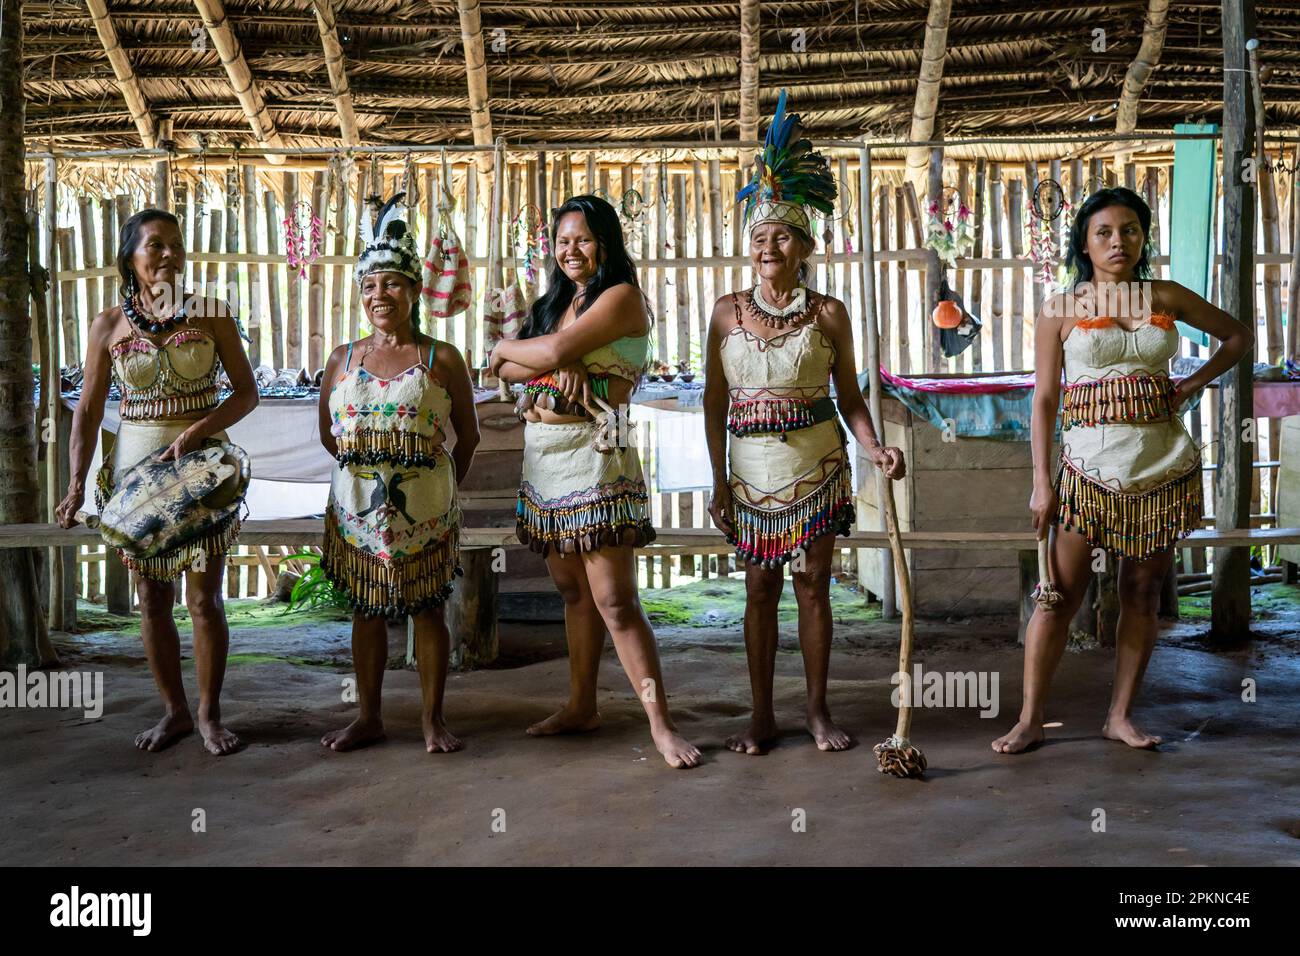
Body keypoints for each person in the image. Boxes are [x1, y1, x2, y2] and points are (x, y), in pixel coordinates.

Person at [992, 186, 1252, 754]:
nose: (1118, 241)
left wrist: (1190, 385)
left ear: (1142, 237)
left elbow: (1237, 336)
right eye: (1104, 232)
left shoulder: (1165, 295)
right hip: (1087, 470)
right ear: (1083, 243)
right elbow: (1042, 400)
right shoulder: (1062, 308)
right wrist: (1041, 482)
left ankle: (1120, 716)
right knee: (1058, 594)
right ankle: (1031, 720)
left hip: (1163, 465)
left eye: (1130, 230)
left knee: (1142, 591)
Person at [704, 90, 905, 756]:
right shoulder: (726, 312)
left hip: (818, 467)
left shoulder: (829, 314)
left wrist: (874, 448)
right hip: (750, 472)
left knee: (814, 585)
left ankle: (817, 711)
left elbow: (850, 396)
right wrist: (717, 480)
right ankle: (761, 716)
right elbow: (713, 399)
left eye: (781, 235)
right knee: (760, 588)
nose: (769, 245)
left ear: (804, 245)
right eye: (759, 236)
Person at [489, 195, 701, 769]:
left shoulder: (621, 298)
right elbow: (508, 371)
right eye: (561, 241)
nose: (570, 251)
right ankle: (582, 705)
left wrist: (519, 349)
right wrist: (538, 358)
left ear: (605, 242)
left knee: (615, 600)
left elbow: (523, 355)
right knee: (574, 594)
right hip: (545, 463)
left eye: (582, 239)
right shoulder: (557, 301)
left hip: (598, 456)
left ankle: (661, 724)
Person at [56, 209, 258, 755]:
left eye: (175, 244)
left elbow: (246, 393)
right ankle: (174, 713)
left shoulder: (212, 315)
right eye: (154, 246)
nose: (168, 255)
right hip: (136, 478)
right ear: (130, 257)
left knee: (204, 599)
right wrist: (76, 485)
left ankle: (210, 715)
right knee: (151, 600)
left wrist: (199, 429)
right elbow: (88, 413)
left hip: (203, 473)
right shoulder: (108, 326)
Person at [317, 194, 479, 754]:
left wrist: (439, 485)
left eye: (390, 284)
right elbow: (326, 435)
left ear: (413, 291)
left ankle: (433, 720)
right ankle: (369, 717)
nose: (378, 296)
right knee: (365, 607)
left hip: (425, 508)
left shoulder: (442, 358)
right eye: (369, 286)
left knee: (427, 604)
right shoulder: (343, 358)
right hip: (357, 504)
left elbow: (470, 435)